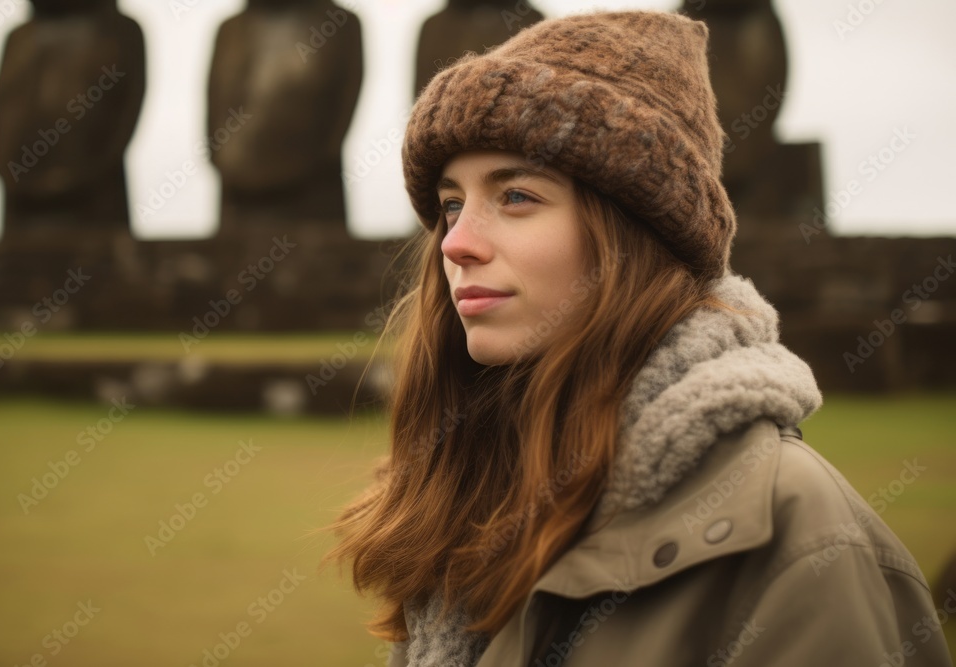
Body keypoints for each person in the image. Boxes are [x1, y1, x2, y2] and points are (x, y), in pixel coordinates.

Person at [322, 11, 952, 667]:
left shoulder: (806, 546)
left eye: (515, 196)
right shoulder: (465, 499)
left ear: (631, 232)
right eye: (452, 203)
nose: (455, 242)